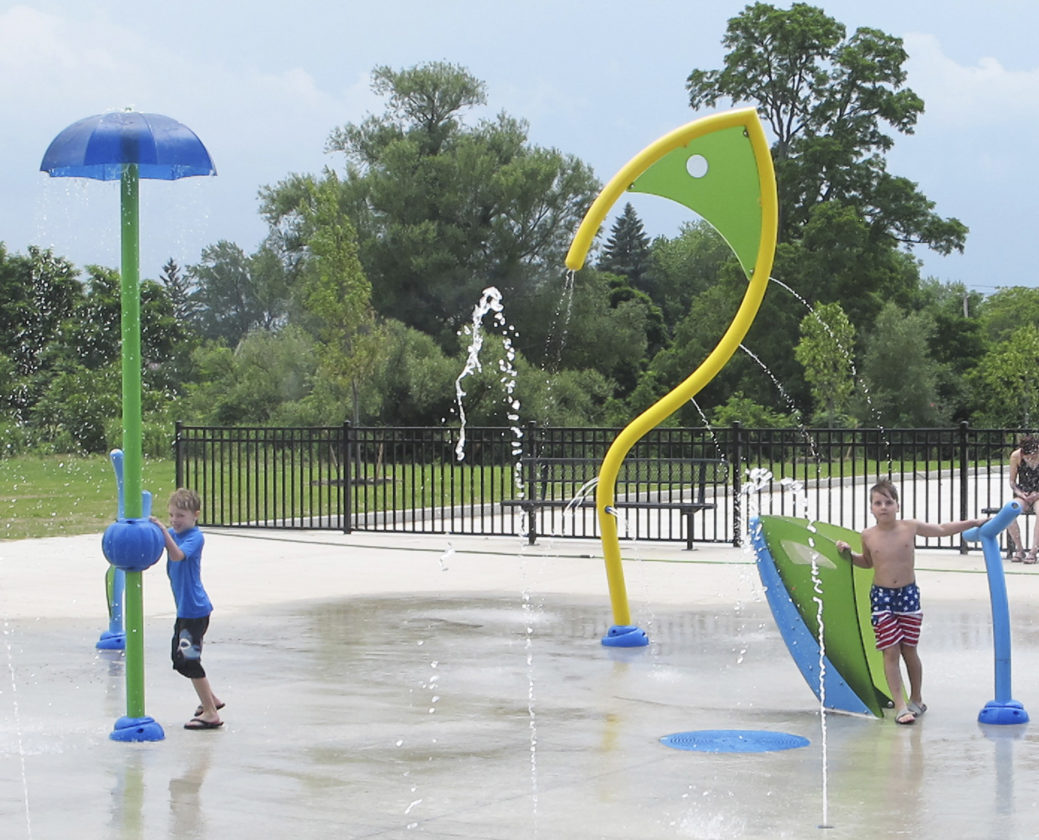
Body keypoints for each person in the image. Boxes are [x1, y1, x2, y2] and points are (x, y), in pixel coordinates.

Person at [835, 479, 984, 725]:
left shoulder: (909, 527)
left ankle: (917, 698)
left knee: (909, 649)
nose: (883, 507)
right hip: (882, 597)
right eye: (878, 503)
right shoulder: (868, 535)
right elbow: (868, 562)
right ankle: (900, 705)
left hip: (908, 595)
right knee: (890, 649)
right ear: (871, 508)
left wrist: (973, 523)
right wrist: (849, 554)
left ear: (898, 505)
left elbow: (942, 529)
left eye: (888, 502)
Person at [151, 488, 225, 730]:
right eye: (171, 515)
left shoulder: (195, 537)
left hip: (195, 611)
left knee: (188, 661)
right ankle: (211, 700)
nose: (174, 520)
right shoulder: (174, 533)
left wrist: (163, 531)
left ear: (195, 515)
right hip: (186, 610)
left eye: (180, 516)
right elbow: (158, 541)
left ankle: (211, 713)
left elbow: (177, 555)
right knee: (180, 659)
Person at [1006, 435, 1039, 563]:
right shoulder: (1016, 456)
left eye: (1034, 455)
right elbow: (1012, 482)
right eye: (1027, 456)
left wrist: (1037, 494)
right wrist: (1020, 493)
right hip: (1024, 493)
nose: (1031, 458)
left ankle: (1033, 551)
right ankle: (1019, 549)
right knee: (1009, 511)